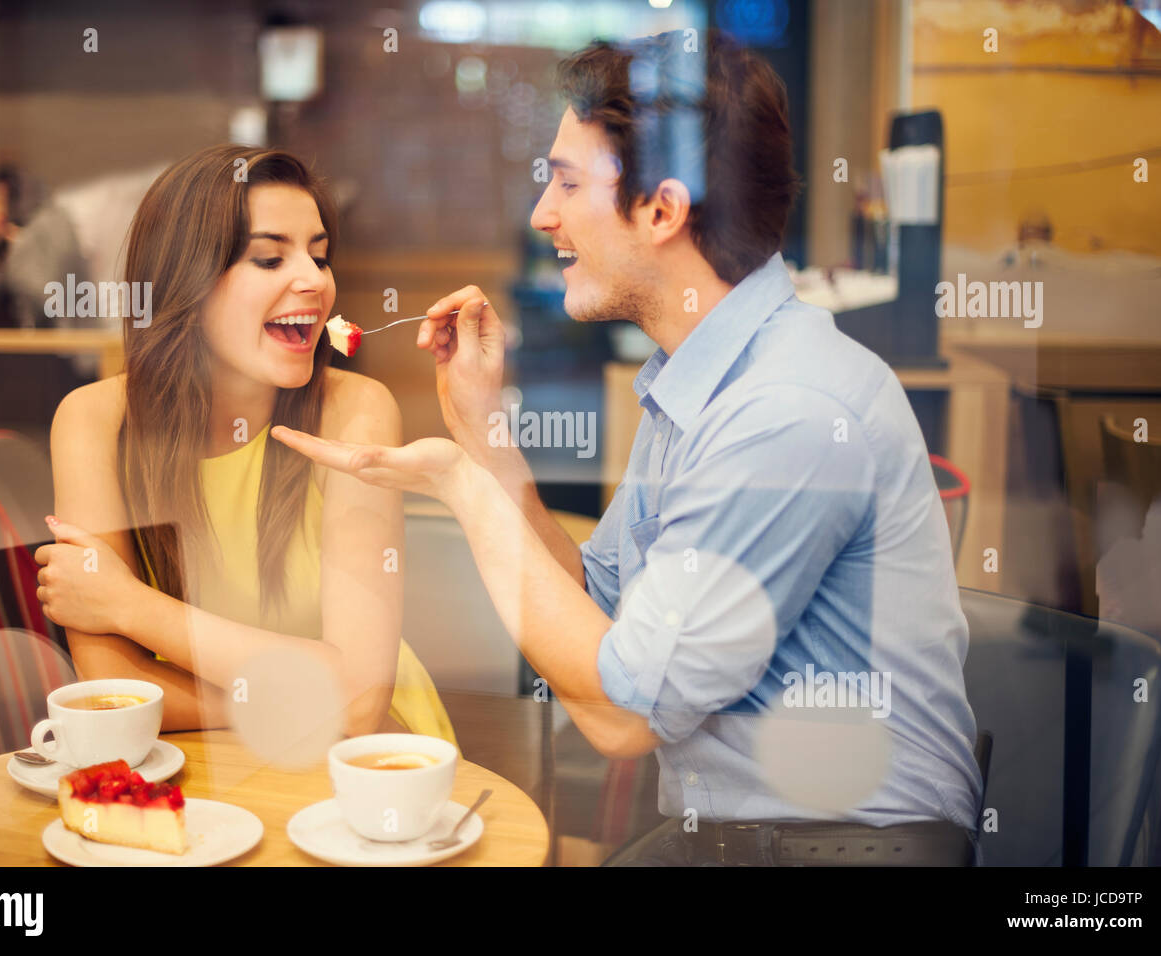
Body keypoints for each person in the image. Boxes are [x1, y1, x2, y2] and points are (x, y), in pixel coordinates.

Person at [272, 32, 981, 865]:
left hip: (851, 850)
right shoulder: (698, 378)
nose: (544, 215)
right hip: (733, 839)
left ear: (662, 209)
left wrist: (464, 488)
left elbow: (622, 714)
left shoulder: (785, 412)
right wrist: (487, 436)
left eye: (568, 182)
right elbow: (595, 605)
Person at [33, 145, 455, 745]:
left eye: (319, 256)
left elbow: (362, 704)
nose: (313, 280)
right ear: (187, 280)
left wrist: (129, 605)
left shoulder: (355, 410)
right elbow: (110, 690)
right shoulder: (93, 420)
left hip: (363, 758)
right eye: (268, 258)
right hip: (192, 761)